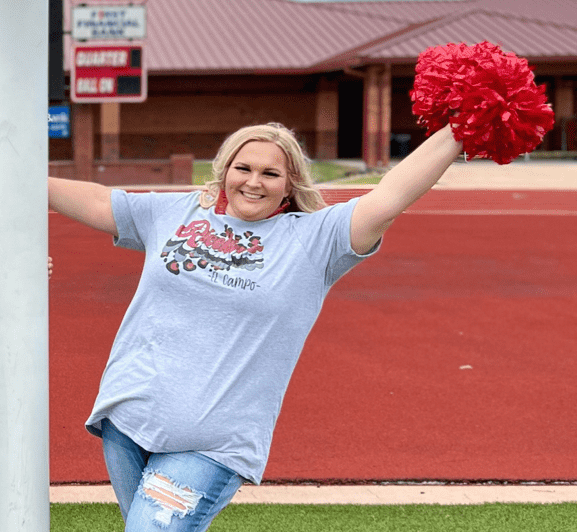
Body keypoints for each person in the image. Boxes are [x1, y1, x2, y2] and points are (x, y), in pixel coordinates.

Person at [48, 121, 465, 531]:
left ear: (290, 184)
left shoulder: (316, 240)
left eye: (270, 173)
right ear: (225, 170)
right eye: (243, 168)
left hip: (211, 443)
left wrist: (459, 129)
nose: (254, 182)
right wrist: (25, 180)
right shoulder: (177, 211)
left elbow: (391, 195)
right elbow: (104, 203)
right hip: (127, 419)